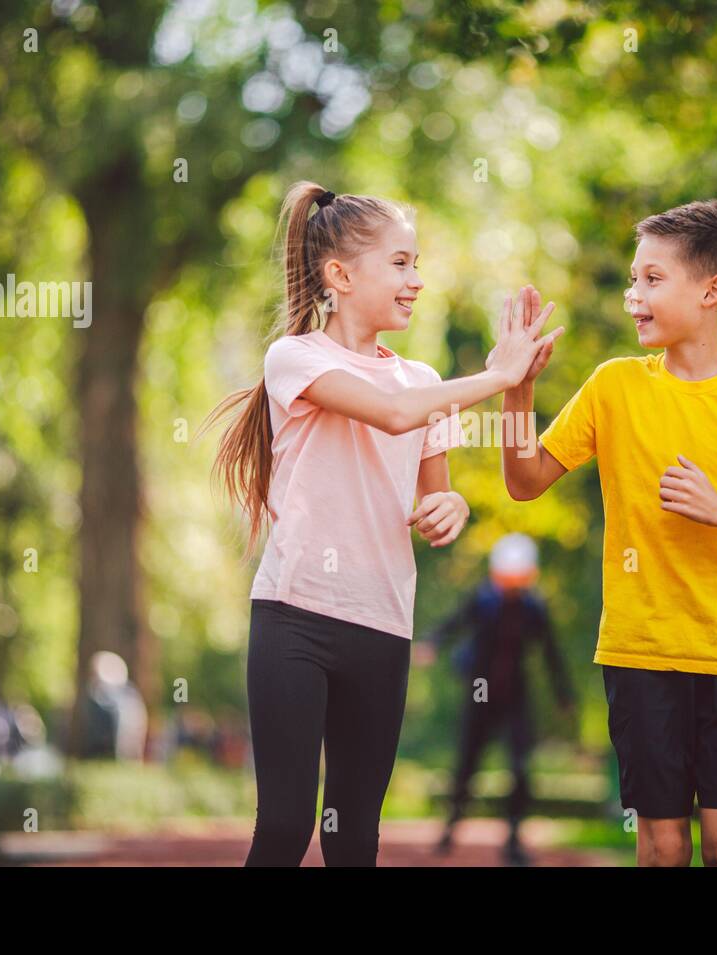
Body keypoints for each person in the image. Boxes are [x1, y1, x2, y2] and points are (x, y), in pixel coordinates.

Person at [200, 181, 563, 867]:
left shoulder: (421, 378)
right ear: (339, 276)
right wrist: (497, 375)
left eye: (417, 263)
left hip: (383, 624)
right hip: (295, 617)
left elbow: (437, 497)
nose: (417, 281)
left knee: (352, 837)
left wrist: (449, 509)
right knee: (283, 827)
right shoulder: (297, 359)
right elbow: (392, 414)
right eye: (400, 263)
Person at [500, 200, 717, 866]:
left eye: (652, 279)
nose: (633, 296)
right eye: (633, 280)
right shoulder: (614, 386)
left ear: (713, 291)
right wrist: (516, 391)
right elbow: (524, 480)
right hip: (640, 649)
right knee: (661, 843)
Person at [425, 533, 576, 865]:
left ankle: (513, 840)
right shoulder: (483, 601)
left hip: (516, 697)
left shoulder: (534, 608)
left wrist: (564, 695)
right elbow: (454, 623)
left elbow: (551, 653)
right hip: (480, 694)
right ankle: (450, 829)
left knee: (521, 767)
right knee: (466, 765)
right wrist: (432, 643)